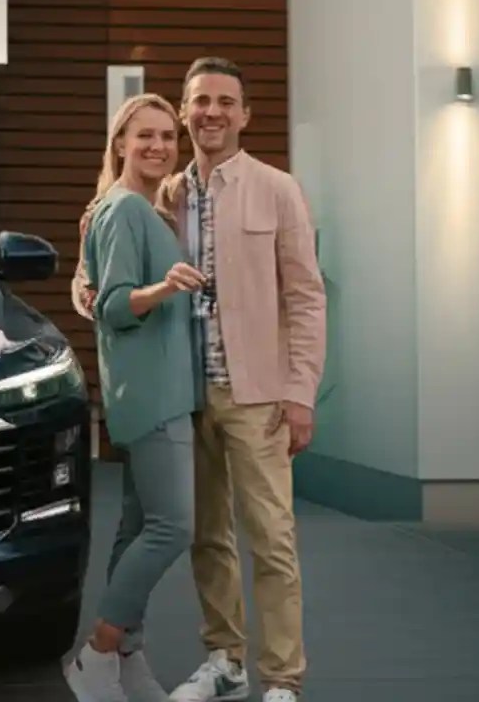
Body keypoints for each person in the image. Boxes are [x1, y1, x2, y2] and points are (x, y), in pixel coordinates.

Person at [164, 57, 326, 702]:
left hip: (257, 396)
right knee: (208, 538)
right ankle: (224, 661)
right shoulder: (167, 195)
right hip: (187, 396)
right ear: (184, 110)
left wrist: (300, 391)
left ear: (245, 115)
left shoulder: (277, 188)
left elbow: (307, 297)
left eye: (226, 102)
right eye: (201, 100)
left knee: (272, 540)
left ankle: (282, 679)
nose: (213, 112)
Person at [63, 93, 206, 702]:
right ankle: (97, 653)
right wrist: (163, 286)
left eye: (168, 137)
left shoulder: (142, 209)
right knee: (173, 527)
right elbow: (117, 306)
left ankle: (125, 657)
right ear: (119, 143)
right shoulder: (123, 211)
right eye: (143, 136)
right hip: (151, 397)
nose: (157, 146)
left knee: (137, 526)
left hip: (159, 391)